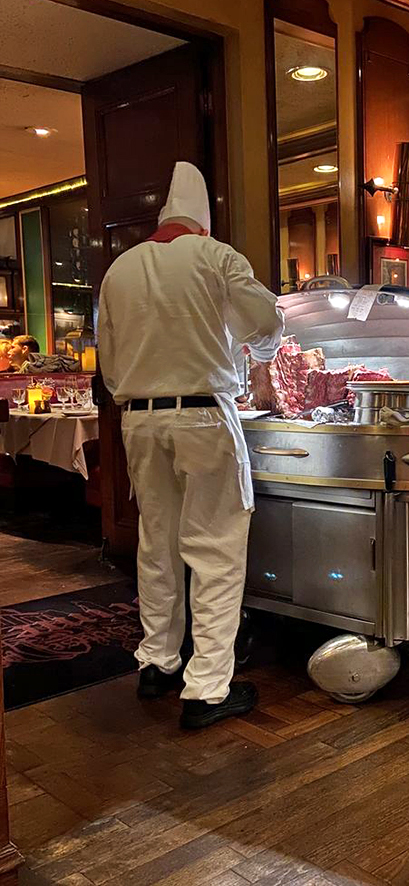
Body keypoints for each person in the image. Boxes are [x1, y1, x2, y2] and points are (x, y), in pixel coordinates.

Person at [97, 161, 284, 730]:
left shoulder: (119, 269)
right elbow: (266, 321)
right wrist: (259, 354)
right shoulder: (217, 257)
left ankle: (157, 662)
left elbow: (107, 356)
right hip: (204, 417)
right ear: (202, 225)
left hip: (139, 420)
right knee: (216, 551)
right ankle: (206, 689)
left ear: (163, 221)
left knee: (158, 544)